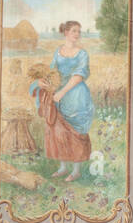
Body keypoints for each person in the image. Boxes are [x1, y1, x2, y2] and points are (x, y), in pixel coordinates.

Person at [28, 20, 94, 182]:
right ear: (65, 33)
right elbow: (51, 71)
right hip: (57, 94)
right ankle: (63, 167)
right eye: (74, 31)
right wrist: (43, 82)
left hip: (75, 95)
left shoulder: (82, 54)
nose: (77, 34)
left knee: (75, 133)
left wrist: (63, 92)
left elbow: (79, 75)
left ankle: (76, 170)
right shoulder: (58, 52)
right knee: (59, 132)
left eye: (79, 31)